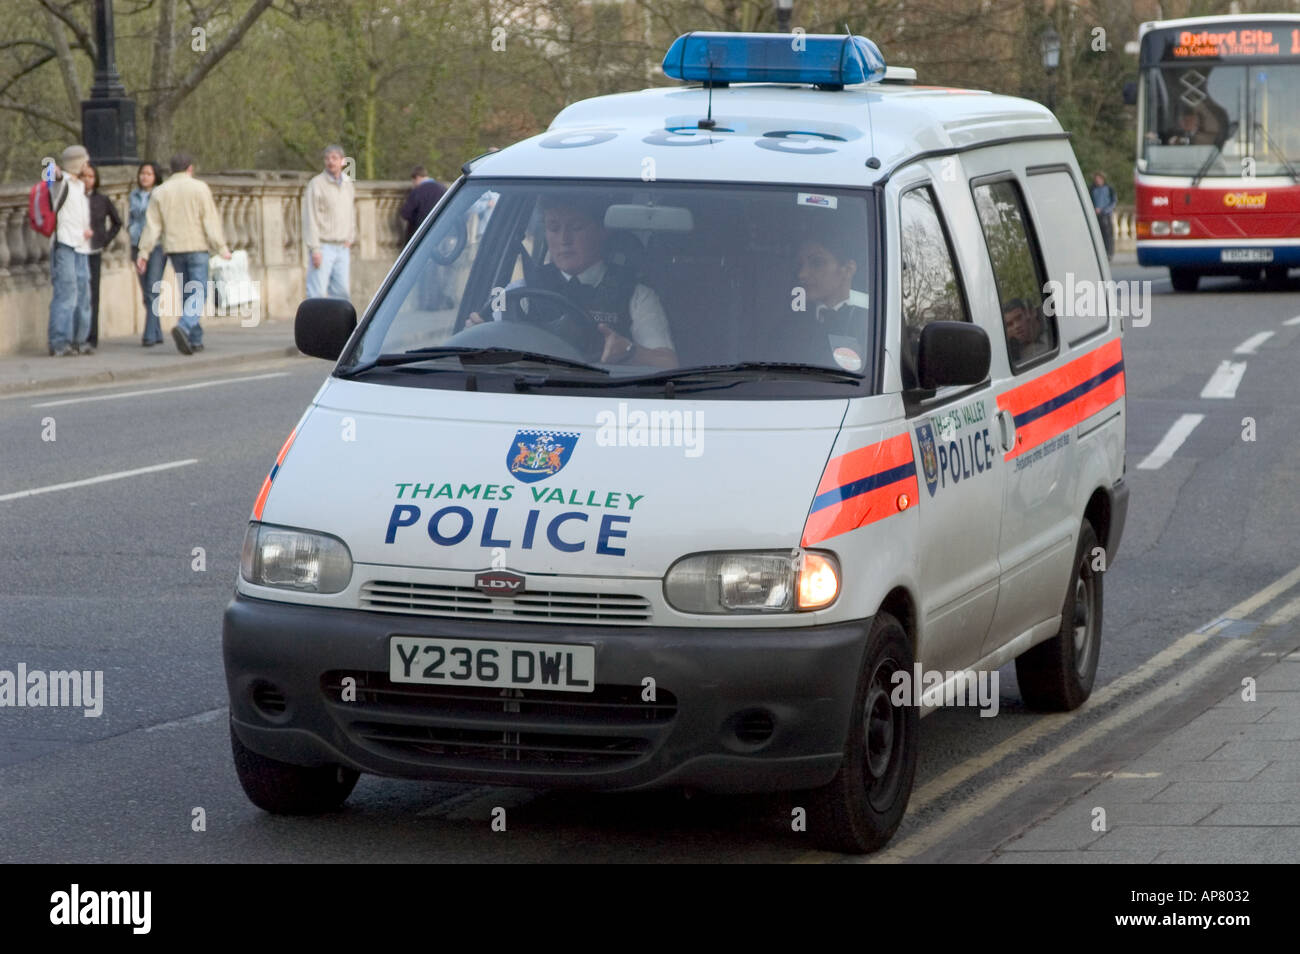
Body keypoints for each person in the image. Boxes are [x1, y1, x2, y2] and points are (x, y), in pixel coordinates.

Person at [466, 197, 677, 367]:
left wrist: (629, 352)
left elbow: (668, 362)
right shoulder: (519, 291)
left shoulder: (636, 295)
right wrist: (478, 335)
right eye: (553, 228)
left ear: (601, 231)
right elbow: (486, 338)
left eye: (576, 227)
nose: (564, 239)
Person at [136, 152, 231, 355]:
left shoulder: (160, 192)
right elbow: (210, 221)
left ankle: (195, 339)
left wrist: (143, 252)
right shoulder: (200, 188)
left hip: (174, 249)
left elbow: (152, 226)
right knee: (199, 292)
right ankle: (185, 326)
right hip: (196, 246)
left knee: (188, 293)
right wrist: (221, 247)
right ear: (190, 168)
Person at [777, 231, 870, 369]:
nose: (801, 274)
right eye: (799, 264)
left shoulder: (874, 323)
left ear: (848, 269)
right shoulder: (790, 326)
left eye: (817, 263)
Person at [47, 144, 94, 357]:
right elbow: (50, 178)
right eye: (84, 161)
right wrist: (52, 170)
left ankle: (79, 339)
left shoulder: (80, 187)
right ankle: (59, 341)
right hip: (64, 245)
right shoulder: (62, 182)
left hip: (81, 246)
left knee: (83, 295)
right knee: (66, 294)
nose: (87, 164)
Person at [303, 144, 354, 300]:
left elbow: (351, 212)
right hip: (323, 246)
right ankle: (314, 324)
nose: (330, 162)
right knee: (316, 293)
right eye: (327, 158)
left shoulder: (348, 183)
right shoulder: (316, 184)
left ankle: (336, 324)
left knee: (342, 293)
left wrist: (350, 237)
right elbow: (309, 216)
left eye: (334, 158)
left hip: (342, 247)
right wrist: (315, 248)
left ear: (343, 161)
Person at [80, 163, 122, 348]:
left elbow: (117, 222)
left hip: (94, 250)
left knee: (93, 293)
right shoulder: (74, 198)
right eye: (84, 176)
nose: (87, 180)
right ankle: (79, 333)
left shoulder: (102, 200)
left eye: (91, 177)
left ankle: (92, 335)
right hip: (77, 249)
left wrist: (104, 239)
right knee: (79, 293)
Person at [129, 161, 167, 346]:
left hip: (156, 246)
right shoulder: (134, 195)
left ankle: (149, 335)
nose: (144, 177)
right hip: (137, 244)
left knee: (153, 289)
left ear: (155, 177)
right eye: (142, 173)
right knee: (146, 293)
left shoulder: (160, 195)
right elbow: (131, 217)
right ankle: (157, 331)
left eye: (149, 174)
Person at [400, 165, 447, 245]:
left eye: (413, 181)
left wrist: (416, 219)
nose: (413, 184)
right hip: (440, 228)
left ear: (417, 177)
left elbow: (405, 213)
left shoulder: (418, 190)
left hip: (420, 231)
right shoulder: (443, 188)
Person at [1002, 298, 1053, 364]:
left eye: (1019, 318)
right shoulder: (1008, 352)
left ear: (1027, 314)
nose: (1016, 326)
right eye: (1009, 324)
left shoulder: (1050, 331)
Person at [1090, 171, 1117, 261]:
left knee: (1108, 235)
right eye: (1096, 179)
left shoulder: (1109, 188)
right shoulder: (1092, 189)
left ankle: (1109, 253)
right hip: (1095, 216)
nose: (1097, 180)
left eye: (1099, 179)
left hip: (1106, 216)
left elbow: (1113, 202)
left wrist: (1103, 210)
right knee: (1098, 235)